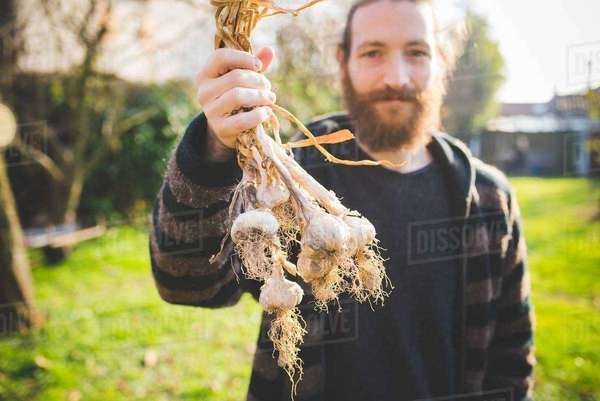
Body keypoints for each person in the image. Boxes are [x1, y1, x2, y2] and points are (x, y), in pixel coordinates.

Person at [149, 1, 535, 400]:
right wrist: (214, 149)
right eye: (373, 53)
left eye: (417, 53)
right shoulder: (281, 176)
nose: (396, 77)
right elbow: (185, 283)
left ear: (443, 61)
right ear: (343, 60)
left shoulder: (490, 199)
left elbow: (512, 358)